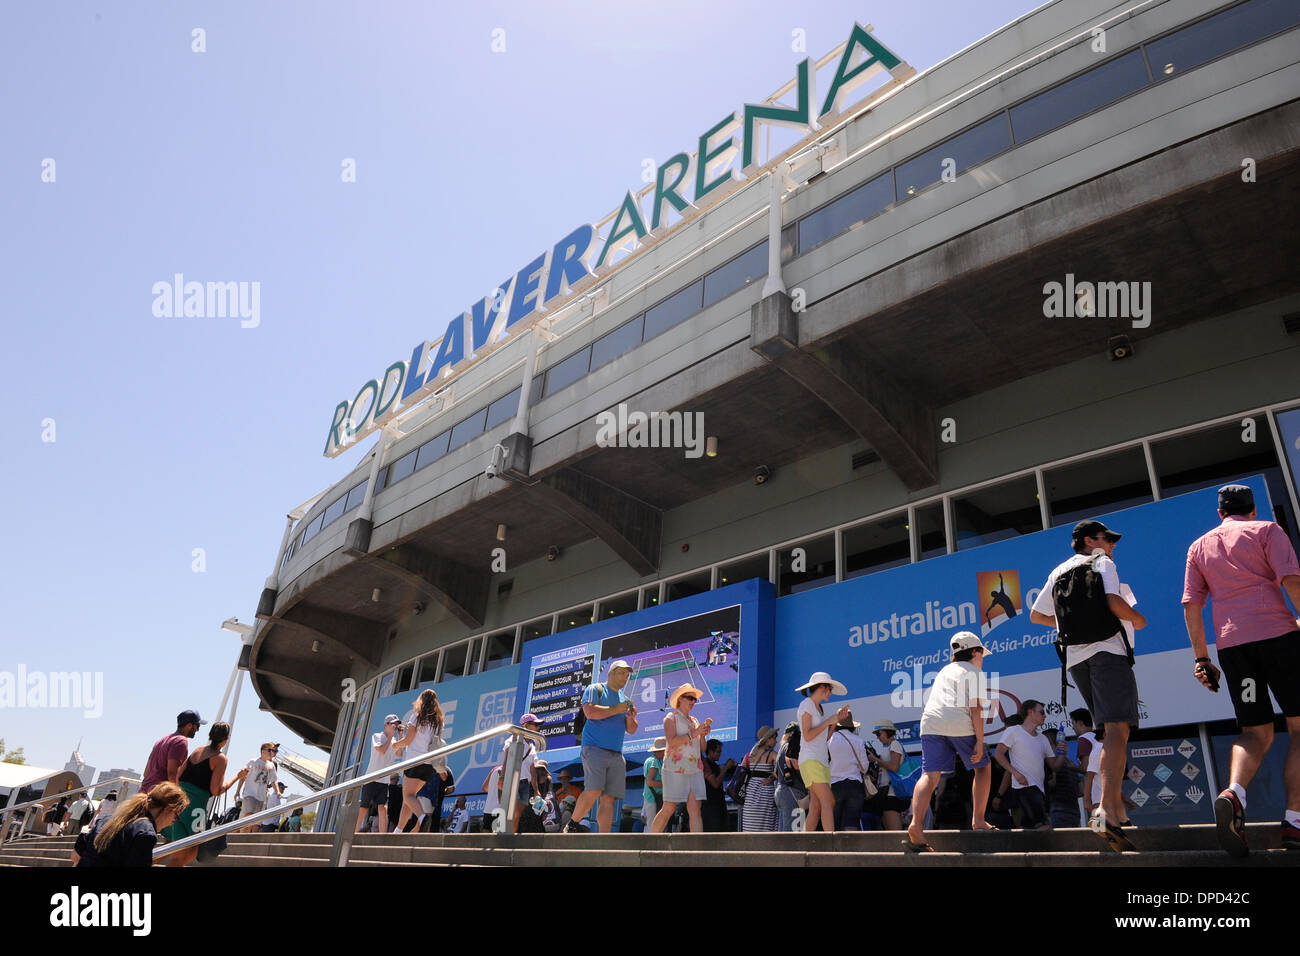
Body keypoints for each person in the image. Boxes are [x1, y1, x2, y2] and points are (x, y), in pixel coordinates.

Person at [1182, 483, 1300, 855]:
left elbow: (1191, 606)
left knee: (1255, 730)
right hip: (1279, 636)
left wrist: (1202, 659)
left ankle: (1234, 792)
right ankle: (1295, 822)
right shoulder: (1266, 530)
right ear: (1252, 508)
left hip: (1233, 647)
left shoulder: (1199, 547)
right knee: (1299, 727)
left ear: (1220, 513)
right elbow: (1292, 581)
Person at [1030, 519, 1145, 851]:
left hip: (1076, 659)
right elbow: (1114, 603)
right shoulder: (1102, 562)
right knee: (1117, 731)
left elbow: (1036, 617)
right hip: (1108, 651)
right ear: (1088, 541)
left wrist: (1066, 622)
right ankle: (1105, 811)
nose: (1111, 544)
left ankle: (1119, 813)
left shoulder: (1059, 571)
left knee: (1111, 731)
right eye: (1106, 538)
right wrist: (1138, 619)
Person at [905, 632, 995, 852]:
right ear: (975, 652)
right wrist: (980, 741)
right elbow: (976, 709)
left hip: (930, 722)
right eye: (982, 653)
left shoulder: (945, 670)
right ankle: (979, 820)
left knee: (930, 775)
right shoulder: (975, 672)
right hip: (958, 722)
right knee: (983, 767)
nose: (983, 658)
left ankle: (916, 824)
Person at [565, 660, 638, 833]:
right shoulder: (595, 689)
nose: (625, 678)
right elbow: (590, 712)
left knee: (609, 799)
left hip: (616, 754)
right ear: (611, 673)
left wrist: (630, 717)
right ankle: (572, 825)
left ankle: (603, 838)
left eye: (627, 675)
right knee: (594, 790)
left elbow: (632, 730)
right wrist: (617, 709)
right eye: (621, 673)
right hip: (594, 748)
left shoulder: (626, 700)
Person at [165, 720, 241, 867]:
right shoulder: (220, 759)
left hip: (180, 805)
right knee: (189, 852)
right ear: (226, 739)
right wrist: (237, 778)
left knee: (177, 854)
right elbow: (216, 790)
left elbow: (178, 775)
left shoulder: (197, 751)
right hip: (196, 810)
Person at [72, 783, 188, 868]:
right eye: (175, 816)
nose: (172, 822)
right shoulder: (146, 834)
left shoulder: (110, 819)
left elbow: (76, 853)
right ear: (168, 809)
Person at [994, 700, 1066, 830]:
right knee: (1044, 826)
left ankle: (1025, 849)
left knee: (1028, 828)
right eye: (1042, 712)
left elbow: (1055, 766)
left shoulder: (1042, 738)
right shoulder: (1013, 731)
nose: (1045, 715)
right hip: (1024, 787)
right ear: (1030, 712)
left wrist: (1063, 753)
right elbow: (998, 754)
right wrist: (1016, 774)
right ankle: (1046, 850)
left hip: (1040, 789)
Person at [795, 671, 852, 832]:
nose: (830, 693)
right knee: (828, 802)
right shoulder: (807, 704)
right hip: (811, 760)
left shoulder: (818, 707)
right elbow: (807, 736)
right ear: (821, 687)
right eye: (829, 689)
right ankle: (830, 843)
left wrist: (835, 721)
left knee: (816, 806)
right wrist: (829, 721)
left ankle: (806, 843)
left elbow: (822, 738)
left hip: (820, 761)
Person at [650, 683, 710, 833]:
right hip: (675, 769)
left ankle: (697, 850)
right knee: (669, 807)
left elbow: (703, 749)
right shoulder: (670, 718)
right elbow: (672, 741)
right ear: (680, 699)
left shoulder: (694, 720)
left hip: (694, 769)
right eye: (690, 697)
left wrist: (702, 735)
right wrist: (694, 733)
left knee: (695, 809)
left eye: (694, 699)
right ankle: (649, 840)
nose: (693, 701)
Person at [393, 689, 446, 833]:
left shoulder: (416, 717)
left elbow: (409, 740)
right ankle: (398, 830)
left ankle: (422, 818)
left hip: (414, 761)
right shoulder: (438, 721)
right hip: (429, 765)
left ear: (421, 700)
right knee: (409, 799)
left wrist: (396, 745)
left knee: (408, 796)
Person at [140, 709, 205, 794]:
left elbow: (146, 773)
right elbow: (172, 775)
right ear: (189, 725)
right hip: (157, 797)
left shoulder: (161, 740)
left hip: (143, 793)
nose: (197, 730)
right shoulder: (181, 741)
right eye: (197, 726)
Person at [357, 714, 402, 833]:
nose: (395, 726)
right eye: (393, 724)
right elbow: (382, 750)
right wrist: (391, 737)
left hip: (384, 781)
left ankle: (382, 837)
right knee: (364, 808)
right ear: (385, 725)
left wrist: (400, 735)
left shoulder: (394, 740)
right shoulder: (377, 736)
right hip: (371, 778)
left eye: (397, 725)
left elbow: (399, 754)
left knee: (383, 808)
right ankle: (352, 833)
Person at [828, 712, 872, 830]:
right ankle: (851, 848)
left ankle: (834, 848)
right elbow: (865, 767)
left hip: (834, 785)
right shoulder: (858, 740)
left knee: (833, 824)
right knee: (852, 824)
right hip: (855, 785)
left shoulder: (829, 739)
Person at [863, 720, 908, 831]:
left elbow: (894, 767)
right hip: (885, 793)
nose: (878, 737)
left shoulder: (895, 744)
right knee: (890, 832)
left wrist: (876, 759)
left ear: (888, 732)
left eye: (879, 734)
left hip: (891, 794)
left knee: (894, 833)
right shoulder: (889, 748)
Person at [502, 714, 544, 833]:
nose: (538, 728)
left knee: (517, 815)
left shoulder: (532, 746)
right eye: (535, 725)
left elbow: (532, 770)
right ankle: (501, 836)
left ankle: (510, 837)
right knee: (508, 811)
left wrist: (536, 790)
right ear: (526, 725)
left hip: (525, 784)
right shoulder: (512, 740)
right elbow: (505, 760)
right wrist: (502, 777)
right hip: (511, 780)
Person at [740, 726, 779, 832]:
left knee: (750, 825)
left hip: (751, 793)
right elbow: (782, 765)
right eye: (774, 737)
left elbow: (741, 771)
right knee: (766, 825)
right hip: (765, 792)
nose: (776, 740)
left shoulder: (748, 755)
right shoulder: (772, 754)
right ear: (767, 740)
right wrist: (772, 777)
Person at [236, 742, 280, 833]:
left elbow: (274, 780)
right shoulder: (253, 761)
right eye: (270, 750)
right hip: (250, 794)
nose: (272, 752)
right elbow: (243, 777)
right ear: (263, 751)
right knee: (249, 815)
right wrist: (238, 791)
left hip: (261, 797)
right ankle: (241, 836)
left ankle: (242, 835)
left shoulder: (271, 766)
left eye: (274, 751)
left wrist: (277, 791)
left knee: (254, 822)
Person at [1044, 728, 1082, 829]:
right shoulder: (1070, 762)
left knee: (1060, 844)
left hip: (1058, 812)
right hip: (1074, 812)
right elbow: (1080, 790)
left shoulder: (1052, 763)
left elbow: (1052, 783)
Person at [774, 723, 806, 831]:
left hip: (780, 791)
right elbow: (797, 766)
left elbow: (776, 773)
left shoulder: (781, 749)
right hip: (793, 793)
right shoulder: (792, 747)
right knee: (793, 834)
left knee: (783, 832)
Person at [701, 739, 735, 831]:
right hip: (710, 808)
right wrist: (726, 768)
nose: (720, 754)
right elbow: (715, 784)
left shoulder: (715, 766)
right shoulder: (705, 765)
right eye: (718, 752)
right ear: (711, 751)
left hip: (719, 805)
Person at [642, 737, 666, 827]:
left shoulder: (652, 760)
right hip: (653, 799)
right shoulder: (654, 762)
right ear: (661, 751)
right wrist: (666, 785)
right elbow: (650, 782)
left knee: (653, 824)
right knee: (653, 825)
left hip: (651, 798)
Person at [480, 763, 505, 834]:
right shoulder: (509, 771)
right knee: (499, 838)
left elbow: (484, 787)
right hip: (500, 808)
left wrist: (492, 792)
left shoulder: (494, 769)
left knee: (486, 834)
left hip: (488, 808)